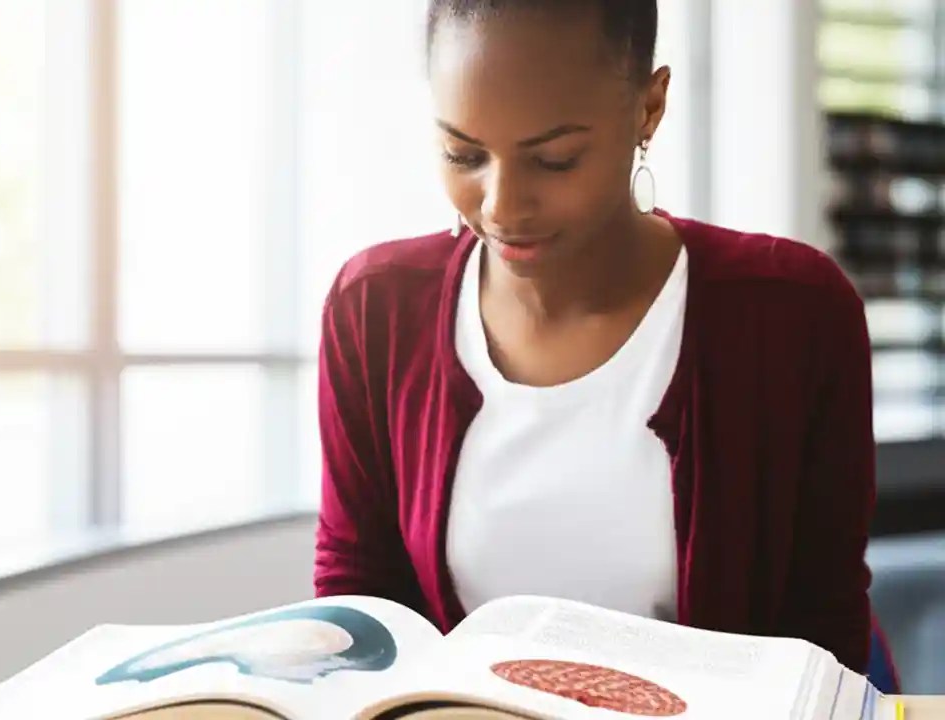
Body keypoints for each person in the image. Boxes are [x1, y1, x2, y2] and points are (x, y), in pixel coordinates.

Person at [313, 0, 878, 675]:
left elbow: (823, 631)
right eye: (463, 153)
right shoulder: (373, 309)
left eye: (554, 159)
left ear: (648, 108)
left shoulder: (794, 316)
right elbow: (362, 609)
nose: (501, 205)